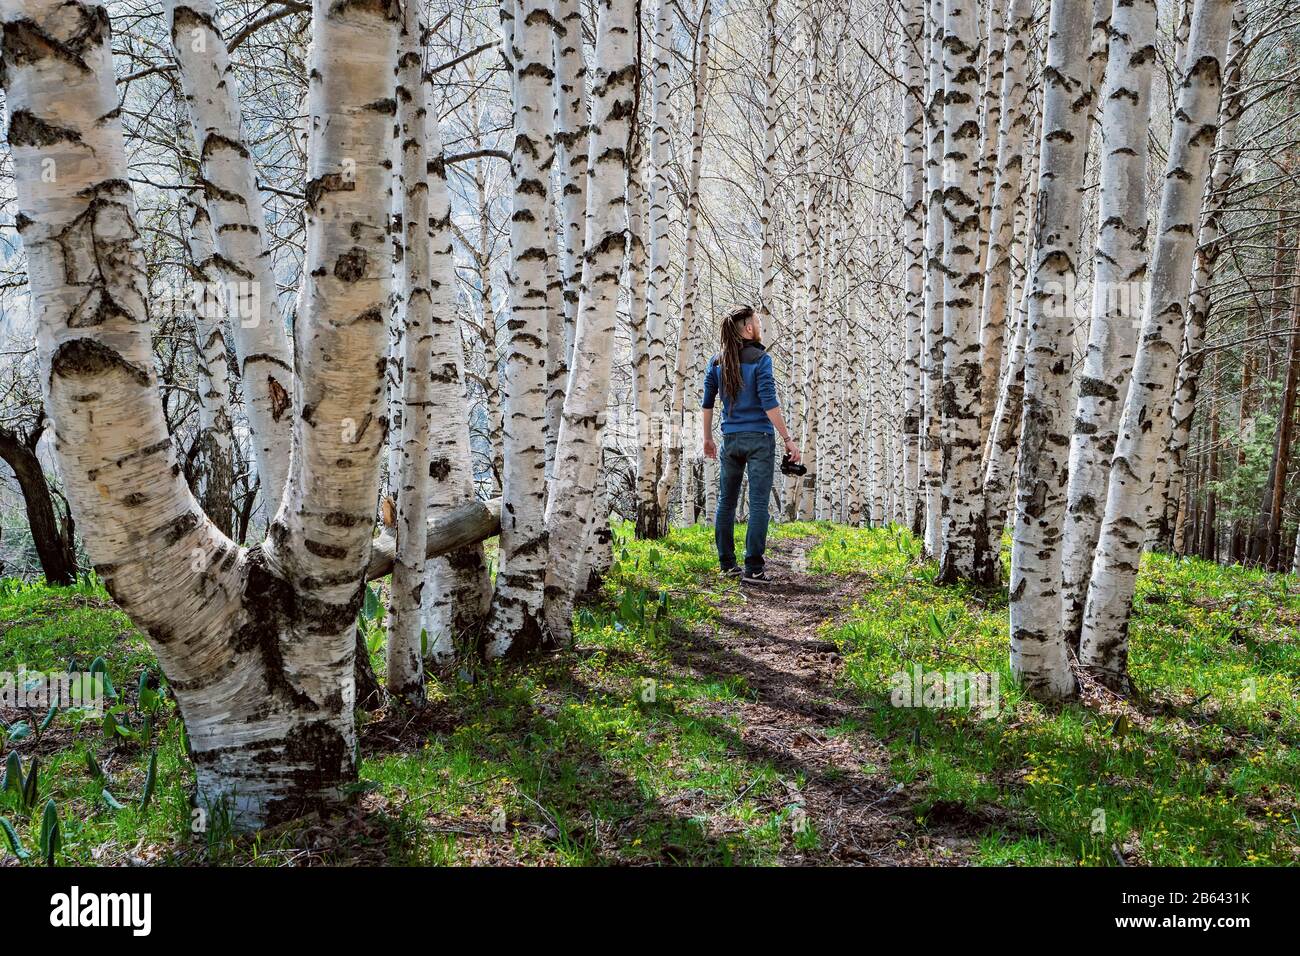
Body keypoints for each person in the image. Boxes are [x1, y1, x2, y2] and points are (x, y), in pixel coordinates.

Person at [701, 306, 801, 585]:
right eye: (757, 321)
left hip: (730, 439)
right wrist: (787, 439)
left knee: (726, 503)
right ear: (747, 329)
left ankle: (727, 564)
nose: (759, 325)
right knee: (758, 504)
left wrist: (707, 438)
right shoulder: (761, 360)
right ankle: (754, 569)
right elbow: (769, 402)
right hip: (759, 438)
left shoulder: (716, 362)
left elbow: (707, 403)